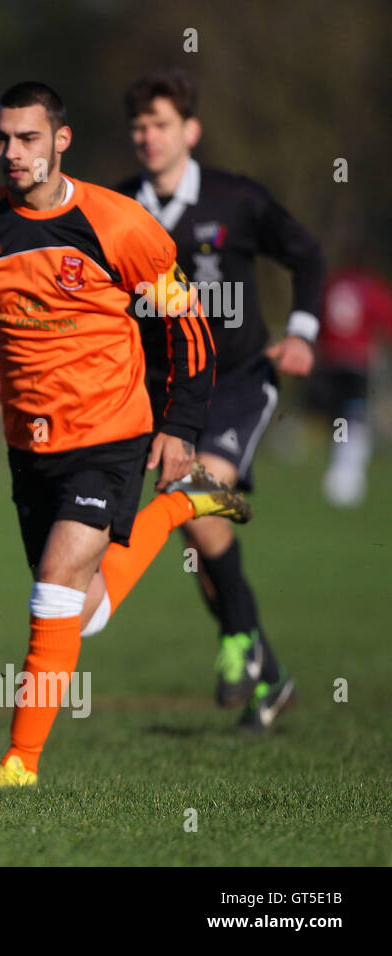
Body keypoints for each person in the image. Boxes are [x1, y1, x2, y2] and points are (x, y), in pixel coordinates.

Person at [0, 81, 248, 788]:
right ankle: (182, 505)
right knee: (77, 611)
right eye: (2, 139)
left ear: (61, 141)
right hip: (29, 446)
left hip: (111, 435)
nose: (12, 152)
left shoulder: (117, 225)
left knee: (57, 585)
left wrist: (180, 427)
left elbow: (188, 328)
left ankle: (18, 764)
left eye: (28, 138)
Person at [116, 69, 325, 728]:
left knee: (195, 503)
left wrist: (302, 332)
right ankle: (269, 670)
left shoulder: (236, 200)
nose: (148, 138)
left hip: (239, 382)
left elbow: (308, 256)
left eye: (161, 125)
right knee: (197, 537)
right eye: (140, 127)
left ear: (191, 131)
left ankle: (240, 644)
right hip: (166, 397)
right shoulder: (119, 209)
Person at [312, 265, 392, 507]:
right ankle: (347, 465)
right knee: (352, 413)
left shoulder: (332, 284)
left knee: (341, 416)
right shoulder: (369, 288)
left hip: (331, 358)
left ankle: (343, 463)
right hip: (356, 359)